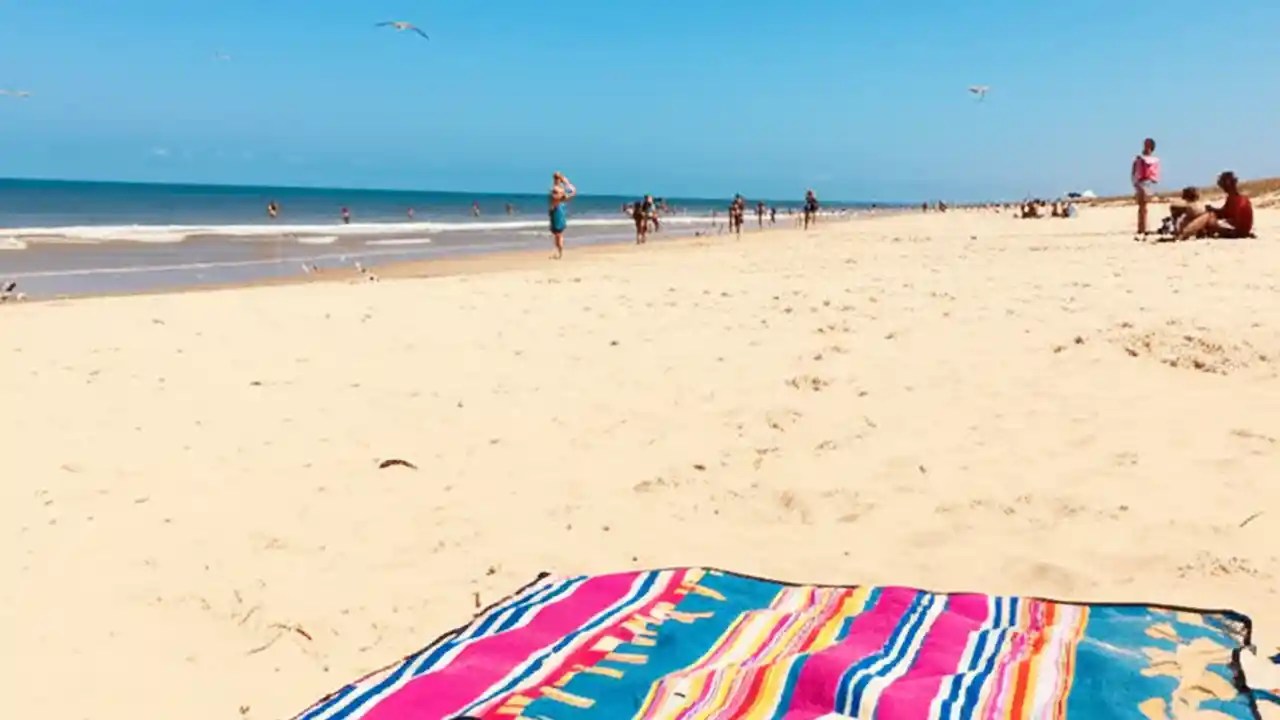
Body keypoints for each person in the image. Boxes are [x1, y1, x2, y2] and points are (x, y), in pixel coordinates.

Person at [1175, 172, 1254, 241]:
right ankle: (1189, 231)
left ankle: (1183, 234)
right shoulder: (1235, 197)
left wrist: (1216, 218)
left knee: (1208, 216)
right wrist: (1213, 210)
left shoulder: (1238, 200)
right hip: (1239, 229)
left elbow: (1232, 218)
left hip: (1237, 231)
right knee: (1209, 215)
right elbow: (1226, 213)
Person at [1131, 138, 1161, 234]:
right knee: (1142, 206)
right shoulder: (1139, 159)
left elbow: (1153, 173)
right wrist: (1134, 182)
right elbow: (1134, 171)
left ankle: (1143, 227)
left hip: (1147, 182)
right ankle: (1141, 227)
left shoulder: (1151, 160)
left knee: (1143, 206)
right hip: (1140, 182)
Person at [548, 171, 576, 259]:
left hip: (558, 210)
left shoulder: (557, 190)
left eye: (557, 178)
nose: (556, 179)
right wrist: (565, 182)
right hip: (556, 210)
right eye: (555, 177)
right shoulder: (555, 189)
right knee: (557, 233)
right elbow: (571, 192)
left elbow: (573, 191)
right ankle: (558, 252)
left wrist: (565, 182)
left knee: (558, 233)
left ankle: (559, 253)